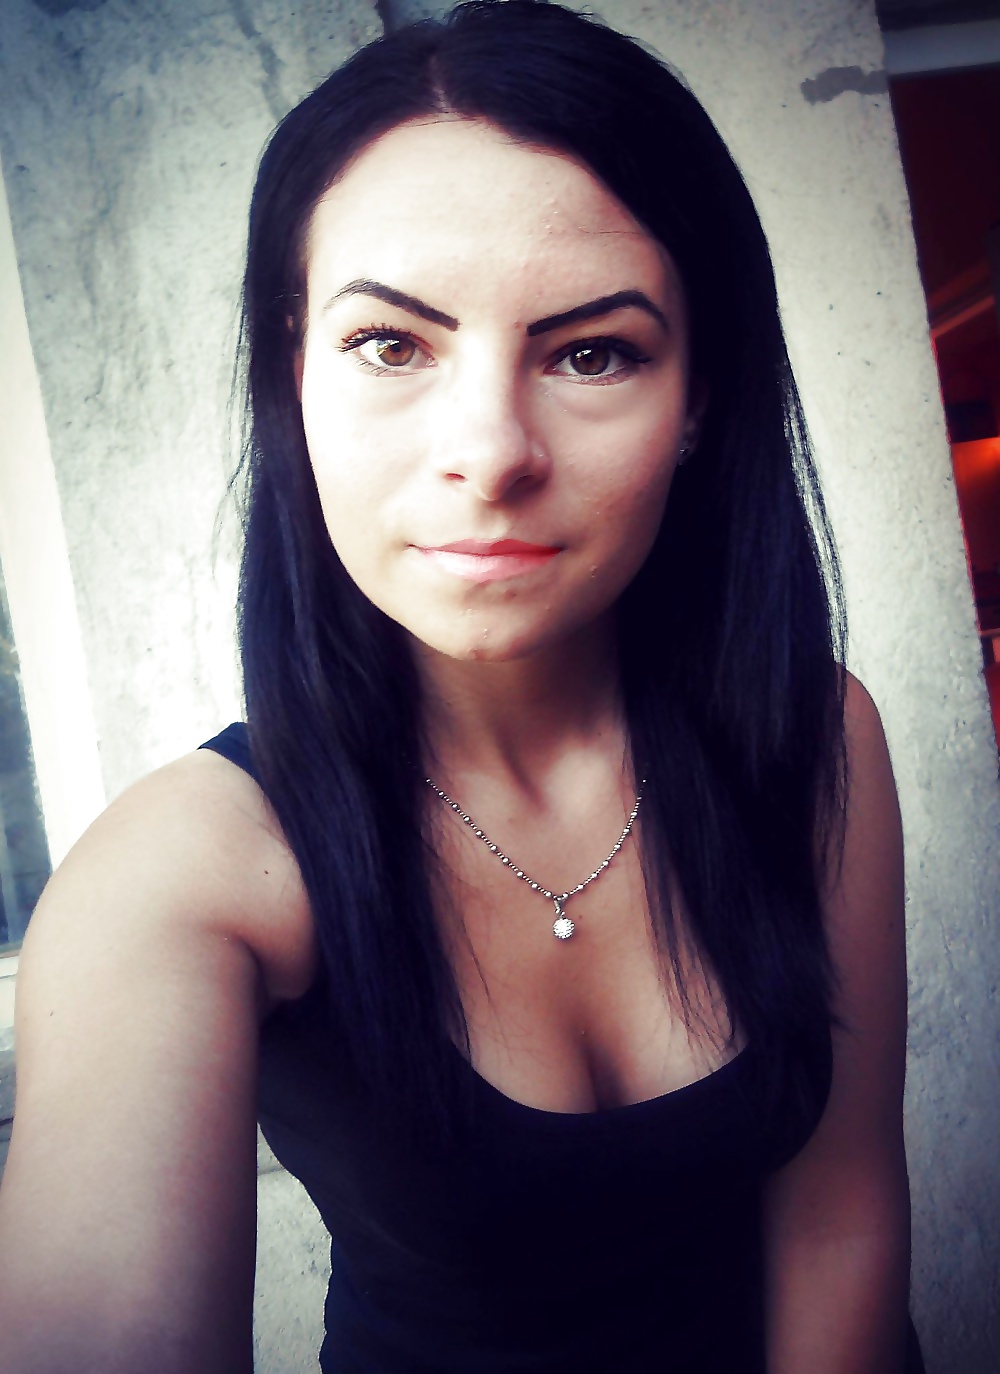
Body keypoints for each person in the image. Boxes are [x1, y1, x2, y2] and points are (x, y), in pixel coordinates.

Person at [0, 2, 917, 1370]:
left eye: (593, 351)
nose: (490, 452)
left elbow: (841, 1218)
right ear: (291, 373)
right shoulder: (187, 869)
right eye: (391, 345)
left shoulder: (811, 728)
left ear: (699, 402)